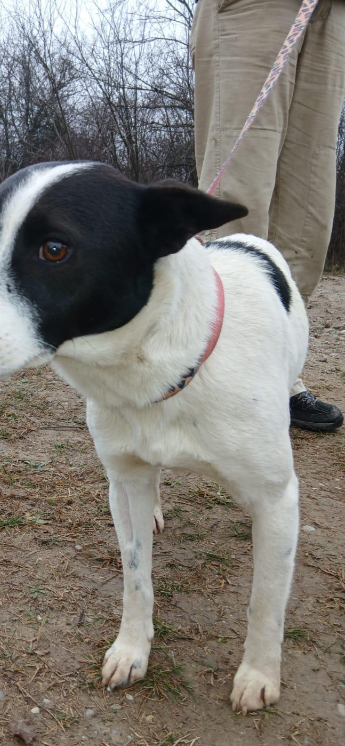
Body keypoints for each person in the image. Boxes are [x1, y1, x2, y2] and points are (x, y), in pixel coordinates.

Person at [190, 0, 345, 431]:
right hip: (252, 10)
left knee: (308, 206)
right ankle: (221, 370)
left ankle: (278, 370)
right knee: (240, 193)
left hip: (329, 16)